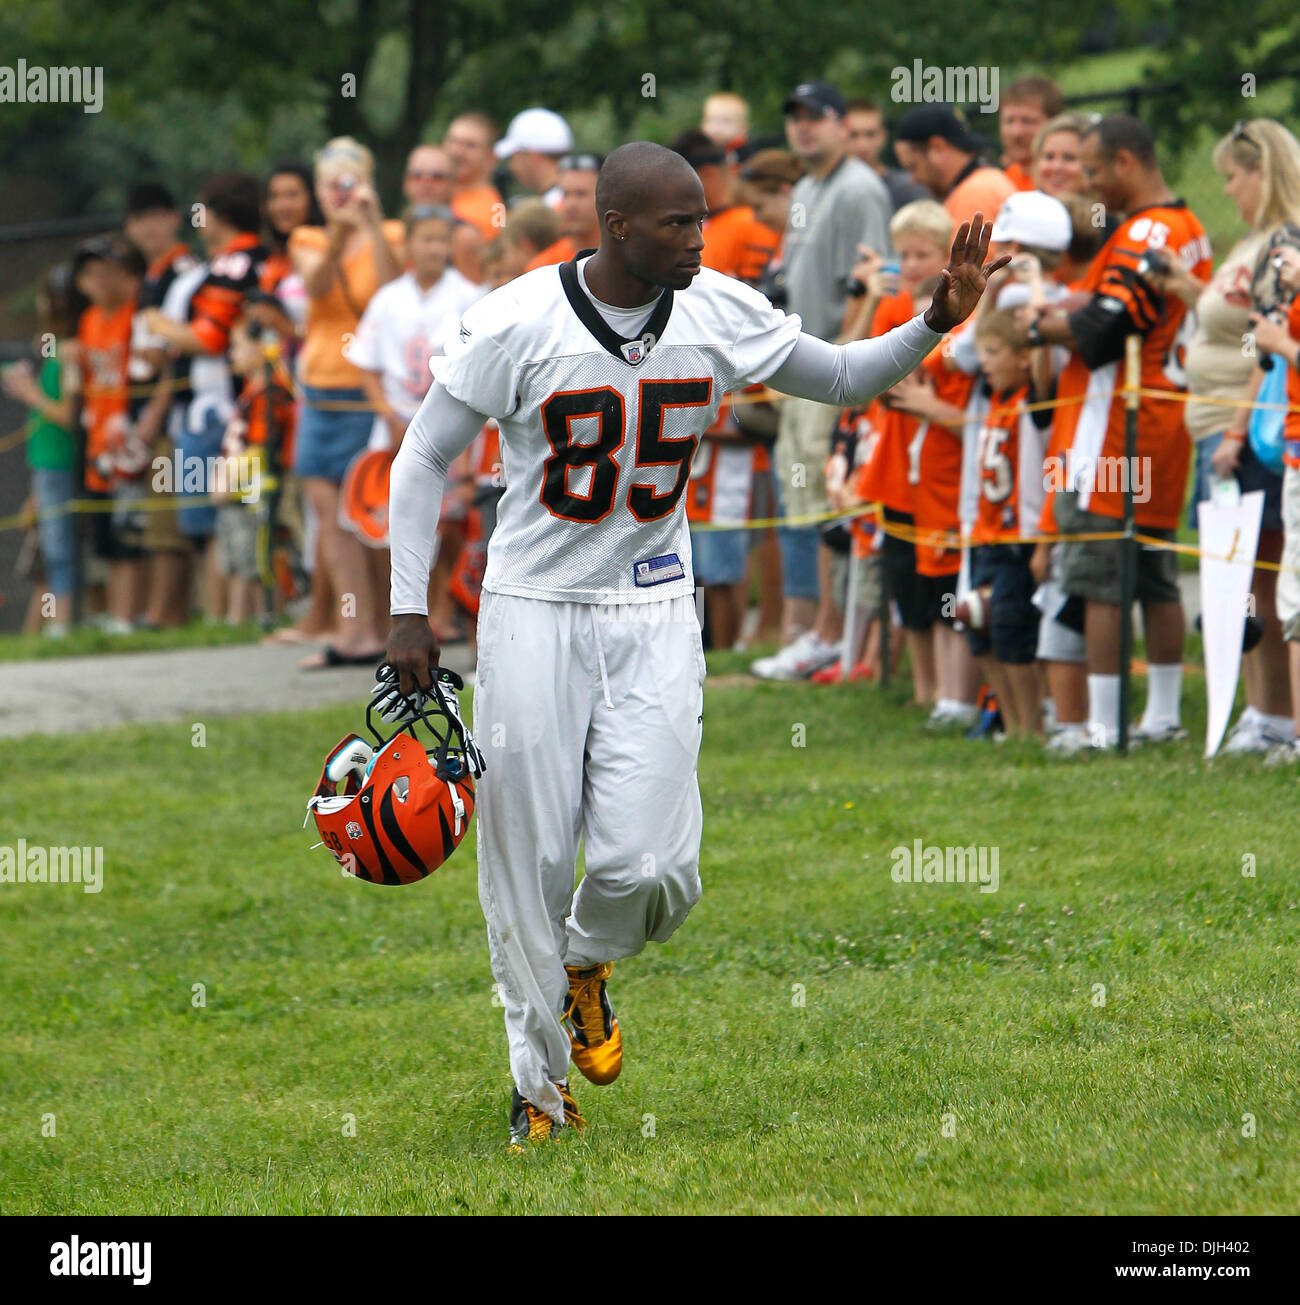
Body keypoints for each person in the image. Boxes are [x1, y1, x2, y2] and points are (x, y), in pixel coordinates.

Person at [386, 142, 1007, 1146]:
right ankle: (538, 1090)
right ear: (614, 226)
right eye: (675, 223)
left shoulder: (715, 304)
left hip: (654, 605)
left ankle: (586, 961)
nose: (697, 238)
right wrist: (407, 609)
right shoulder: (517, 320)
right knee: (527, 861)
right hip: (533, 605)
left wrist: (935, 319)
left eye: (700, 218)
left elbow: (843, 377)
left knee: (652, 866)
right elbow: (422, 457)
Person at [1020, 114, 1211, 751]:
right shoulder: (1190, 230)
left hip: (1115, 429)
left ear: (1126, 163)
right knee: (1154, 572)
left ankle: (1103, 726)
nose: (1091, 183)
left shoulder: (1145, 229)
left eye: (1095, 170)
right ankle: (1160, 714)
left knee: (1102, 578)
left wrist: (1035, 328)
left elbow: (1104, 331)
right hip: (1166, 424)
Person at [751, 79, 894, 682]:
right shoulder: (807, 185)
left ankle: (834, 636)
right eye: (795, 116)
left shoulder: (861, 187)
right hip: (799, 359)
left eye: (816, 116)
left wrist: (850, 360)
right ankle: (815, 631)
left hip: (836, 362)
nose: (803, 127)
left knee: (829, 505)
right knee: (801, 501)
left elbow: (878, 277)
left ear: (843, 123)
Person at [1197, 120, 1300, 753]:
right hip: (1254, 421)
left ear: (1261, 171)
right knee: (1259, 578)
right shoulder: (1257, 243)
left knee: (1269, 575)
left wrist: (1236, 426)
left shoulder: (1284, 246)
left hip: (1264, 424)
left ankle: (1277, 718)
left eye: (1233, 177)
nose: (1229, 190)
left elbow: (1266, 353)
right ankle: (1266, 714)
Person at [286, 137, 404, 668]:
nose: (340, 192)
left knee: (370, 514)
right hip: (320, 387)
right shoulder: (308, 236)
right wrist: (339, 231)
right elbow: (315, 285)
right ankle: (351, 628)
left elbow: (388, 291)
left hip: (367, 390)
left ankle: (383, 628)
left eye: (348, 180)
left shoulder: (392, 232)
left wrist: (371, 224)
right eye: (330, 183)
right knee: (327, 512)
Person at [348, 204, 486, 635]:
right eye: (425, 239)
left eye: (442, 239)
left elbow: (478, 364)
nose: (435, 248)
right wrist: (387, 416)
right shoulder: (388, 298)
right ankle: (393, 617)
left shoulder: (468, 295)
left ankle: (441, 614)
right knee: (387, 519)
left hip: (449, 423)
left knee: (449, 520)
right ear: (406, 244)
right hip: (393, 424)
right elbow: (366, 365)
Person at [142, 171, 271, 626]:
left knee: (215, 519)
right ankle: (224, 616)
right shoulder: (259, 257)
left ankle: (220, 616)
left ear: (220, 215)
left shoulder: (231, 265)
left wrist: (160, 326)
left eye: (202, 210)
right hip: (240, 408)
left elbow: (208, 337)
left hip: (223, 408)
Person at [967, 307, 1054, 736]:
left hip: (1021, 536)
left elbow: (1043, 366)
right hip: (987, 534)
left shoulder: (1033, 403)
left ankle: (1031, 726)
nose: (984, 361)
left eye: (994, 351)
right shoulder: (993, 398)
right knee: (977, 625)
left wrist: (1043, 544)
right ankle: (1011, 720)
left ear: (1023, 357)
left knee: (1011, 627)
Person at [123, 183, 200, 630]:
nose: (149, 226)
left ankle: (164, 616)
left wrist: (156, 409)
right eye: (139, 218)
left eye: (157, 215)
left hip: (175, 412)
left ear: (175, 218)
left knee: (169, 521)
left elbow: (178, 354)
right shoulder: (151, 275)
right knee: (158, 517)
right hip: (154, 411)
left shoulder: (183, 273)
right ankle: (166, 616)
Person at [1, 263, 85, 636]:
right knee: (44, 552)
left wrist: (28, 393)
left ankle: (62, 625)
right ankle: (49, 628)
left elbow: (70, 415)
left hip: (62, 460)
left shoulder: (70, 351)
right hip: (44, 463)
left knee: (59, 550)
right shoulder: (52, 351)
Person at [74, 235, 149, 632]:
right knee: (105, 532)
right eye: (91, 273)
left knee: (129, 531)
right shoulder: (87, 322)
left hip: (127, 439)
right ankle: (116, 614)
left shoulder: (134, 315)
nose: (100, 280)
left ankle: (128, 614)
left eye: (109, 271)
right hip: (97, 441)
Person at [894, 103, 1016, 230]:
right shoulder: (987, 181)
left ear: (937, 147)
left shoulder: (973, 197)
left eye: (913, 167)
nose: (913, 179)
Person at [402, 143, 485, 283]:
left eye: (437, 177)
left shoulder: (464, 236)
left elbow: (477, 295)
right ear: (405, 182)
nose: (426, 183)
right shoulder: (398, 231)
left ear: (454, 184)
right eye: (417, 176)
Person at [843, 97, 929, 212]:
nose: (862, 144)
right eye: (853, 135)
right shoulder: (828, 187)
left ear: (883, 136)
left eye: (870, 134)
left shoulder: (908, 188)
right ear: (841, 135)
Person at [525, 153, 602, 271]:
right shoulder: (544, 267)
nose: (570, 204)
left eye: (581, 194)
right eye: (565, 194)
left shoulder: (625, 257)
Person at [495, 108, 574, 208]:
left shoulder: (554, 209)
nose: (511, 167)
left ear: (533, 157)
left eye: (513, 157)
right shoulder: (580, 201)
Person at [445, 112, 505, 239]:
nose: (457, 152)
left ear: (491, 158)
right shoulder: (433, 192)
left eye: (470, 145)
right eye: (453, 141)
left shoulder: (496, 210)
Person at [999, 76, 1065, 191]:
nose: (1017, 133)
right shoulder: (1004, 181)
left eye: (1028, 121)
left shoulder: (1062, 184)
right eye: (1009, 121)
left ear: (1054, 123)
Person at [700, 91, 750, 158]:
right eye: (712, 120)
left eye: (726, 121)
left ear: (743, 128)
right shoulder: (699, 151)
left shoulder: (745, 153)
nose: (717, 127)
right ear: (702, 124)